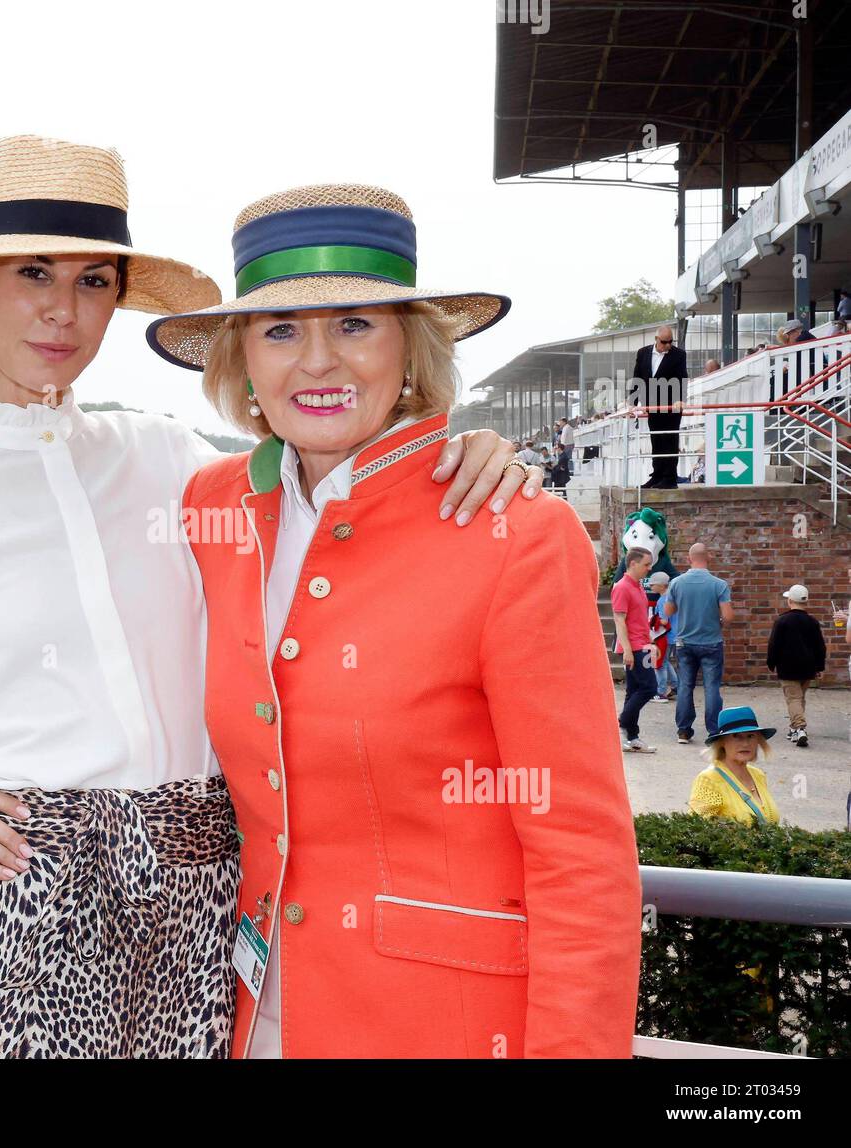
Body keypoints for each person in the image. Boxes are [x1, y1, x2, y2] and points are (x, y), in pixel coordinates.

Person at [0, 137, 540, 1062]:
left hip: (205, 907)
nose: (64, 310)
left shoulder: (171, 461)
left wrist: (455, 455)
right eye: (34, 272)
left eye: (95, 280)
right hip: (23, 917)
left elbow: (333, 471)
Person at [148, 181, 641, 1058]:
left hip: (443, 1029)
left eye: (355, 324)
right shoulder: (209, 511)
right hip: (242, 1022)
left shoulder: (516, 530)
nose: (318, 362)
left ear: (409, 348)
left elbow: (581, 852)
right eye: (282, 330)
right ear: (244, 362)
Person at [664, 543, 733, 743]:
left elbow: (668, 612)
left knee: (685, 685)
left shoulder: (676, 583)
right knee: (712, 687)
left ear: (689, 559)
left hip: (685, 642)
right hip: (712, 642)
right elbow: (728, 615)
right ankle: (714, 730)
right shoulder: (718, 584)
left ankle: (684, 730)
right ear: (708, 557)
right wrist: (719, 622)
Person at [688, 707, 780, 825]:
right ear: (721, 742)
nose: (745, 743)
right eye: (736, 736)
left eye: (750, 736)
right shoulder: (709, 780)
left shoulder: (758, 775)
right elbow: (696, 829)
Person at [610, 546, 659, 752]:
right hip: (635, 647)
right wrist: (628, 650)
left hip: (643, 645)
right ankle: (622, 722)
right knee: (649, 688)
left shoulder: (637, 586)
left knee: (633, 691)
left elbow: (639, 619)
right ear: (633, 563)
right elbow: (619, 620)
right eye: (646, 564)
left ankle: (632, 737)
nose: (649, 568)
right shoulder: (622, 587)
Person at [627, 325, 687, 489]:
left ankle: (669, 478)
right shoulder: (643, 353)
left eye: (670, 341)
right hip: (651, 404)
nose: (668, 345)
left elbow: (682, 377)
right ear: (656, 339)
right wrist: (632, 401)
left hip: (671, 405)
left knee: (670, 439)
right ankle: (657, 475)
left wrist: (681, 399)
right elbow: (637, 377)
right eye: (664, 342)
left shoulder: (679, 355)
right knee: (656, 439)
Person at [765, 584, 825, 747]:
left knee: (793, 698)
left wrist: (771, 662)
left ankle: (800, 728)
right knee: (799, 698)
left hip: (787, 667)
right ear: (806, 602)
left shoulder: (782, 621)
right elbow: (820, 646)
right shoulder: (812, 622)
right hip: (808, 667)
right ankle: (793, 728)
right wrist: (820, 666)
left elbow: (774, 644)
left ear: (789, 601)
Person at [648, 570, 678, 701]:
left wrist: (652, 621)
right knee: (665, 662)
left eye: (653, 584)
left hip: (665, 636)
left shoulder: (662, 600)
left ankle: (660, 692)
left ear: (661, 585)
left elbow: (664, 621)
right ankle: (676, 686)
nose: (650, 587)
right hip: (675, 635)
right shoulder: (673, 597)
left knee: (659, 664)